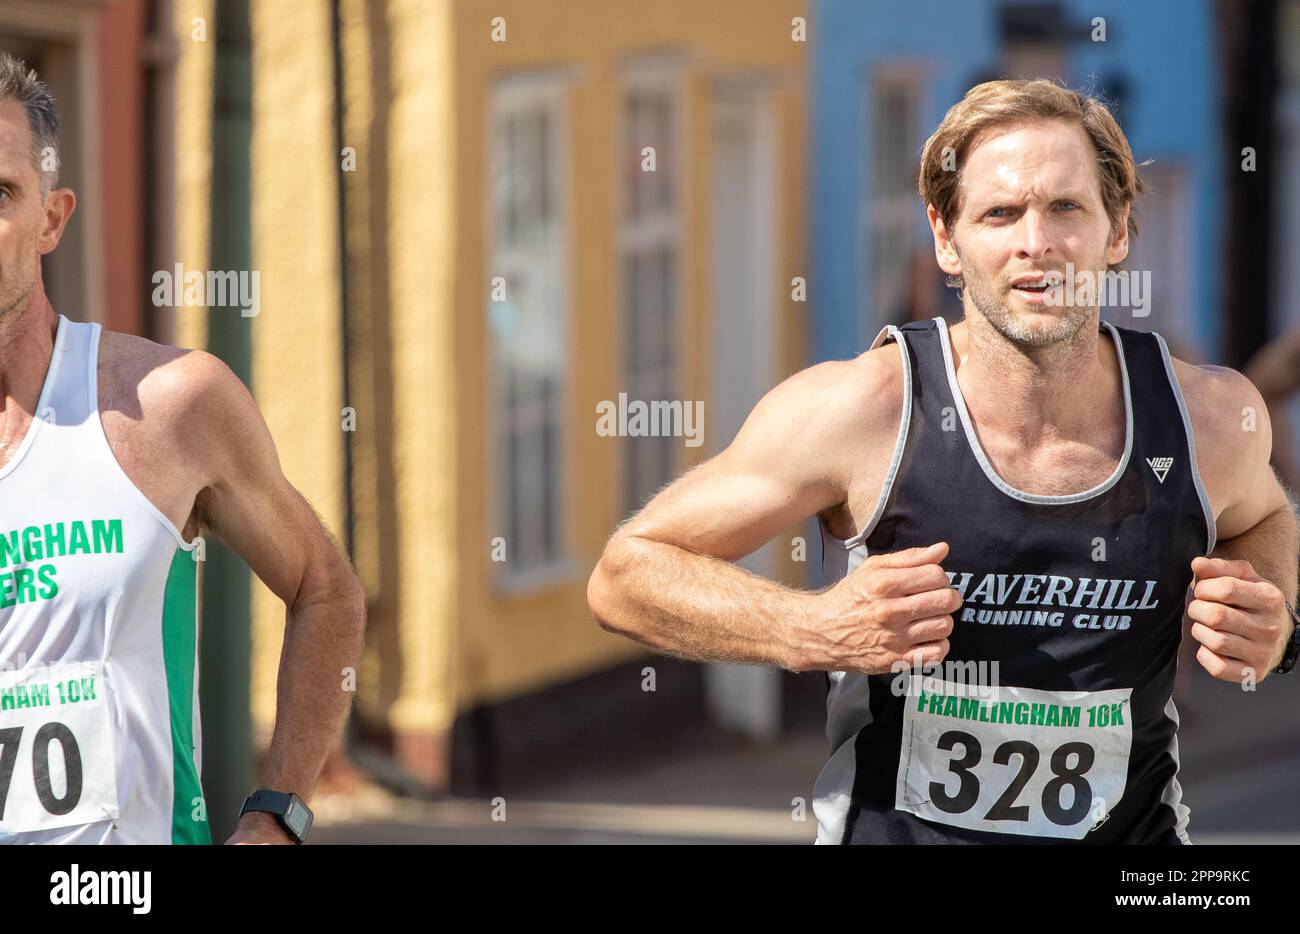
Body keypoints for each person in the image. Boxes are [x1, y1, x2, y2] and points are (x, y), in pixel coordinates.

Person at [587, 79, 1299, 844]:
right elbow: (626, 575)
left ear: (1117, 229)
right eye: (1000, 214)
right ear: (945, 239)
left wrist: (1276, 619)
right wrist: (812, 627)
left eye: (1066, 207)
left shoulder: (1208, 419)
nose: (1036, 242)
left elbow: (1264, 516)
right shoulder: (863, 412)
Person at [0, 54, 365, 844]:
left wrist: (278, 818)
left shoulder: (169, 405)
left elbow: (327, 592)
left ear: (52, 219)